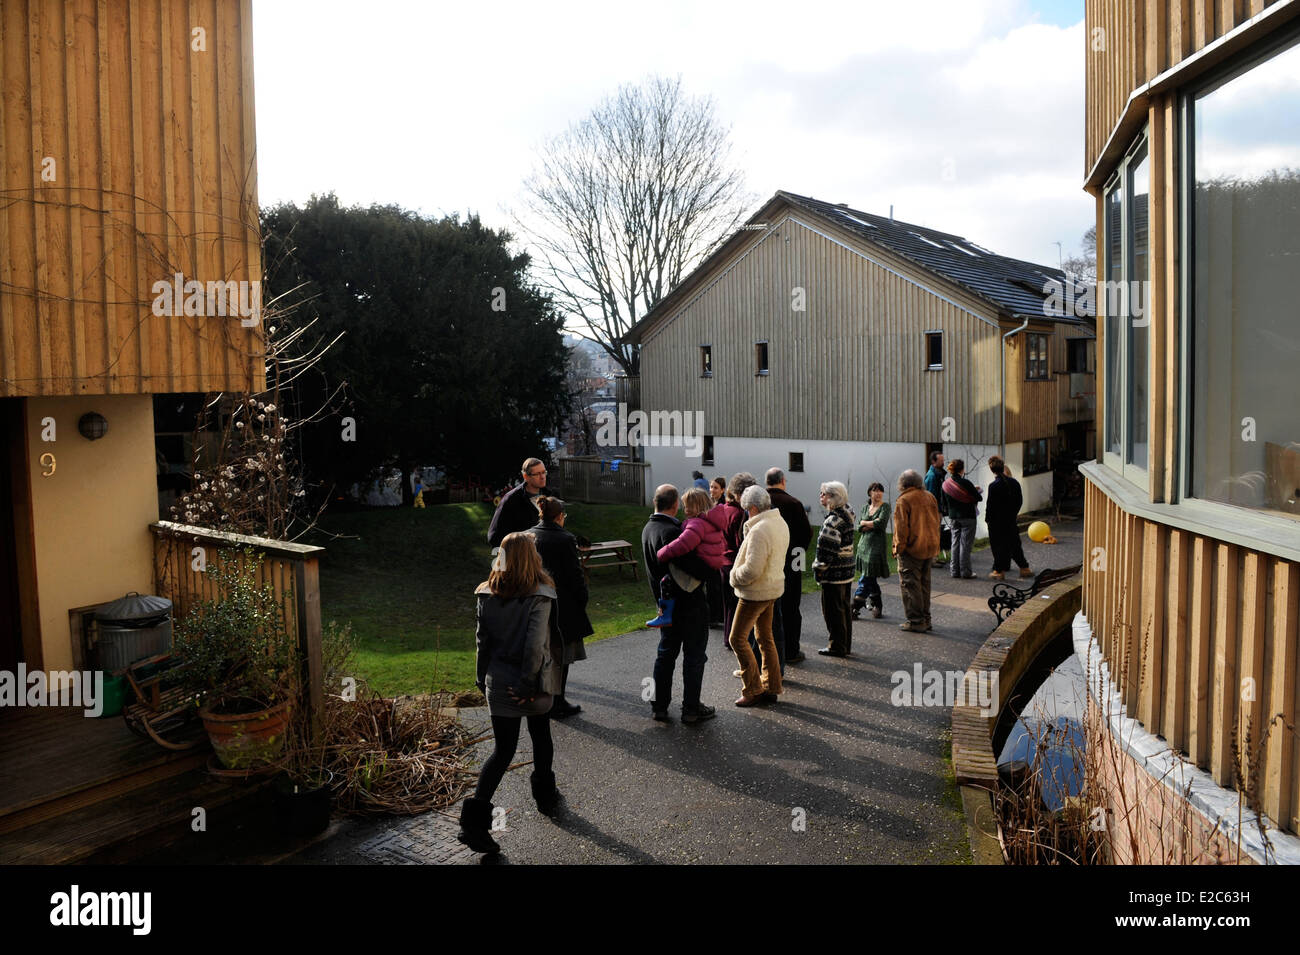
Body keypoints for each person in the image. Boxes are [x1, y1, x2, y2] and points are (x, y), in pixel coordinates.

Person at [458, 532, 565, 854]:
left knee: (502, 751)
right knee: (541, 735)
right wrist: (528, 684)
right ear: (531, 557)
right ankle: (545, 796)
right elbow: (534, 646)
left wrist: (482, 679)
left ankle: (473, 824)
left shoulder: (486, 593)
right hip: (529, 682)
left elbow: (482, 642)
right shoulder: (541, 594)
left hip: (497, 678)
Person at [641, 485, 717, 724]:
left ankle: (659, 706)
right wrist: (713, 569)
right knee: (694, 657)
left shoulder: (648, 528)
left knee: (665, 656)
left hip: (665, 606)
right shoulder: (674, 532)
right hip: (689, 604)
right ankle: (691, 709)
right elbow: (692, 566)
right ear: (675, 504)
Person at [527, 496, 592, 719]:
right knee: (561, 655)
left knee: (542, 653)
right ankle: (557, 701)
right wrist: (582, 599)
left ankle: (544, 698)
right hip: (561, 604)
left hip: (534, 602)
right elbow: (575, 575)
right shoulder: (565, 539)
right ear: (560, 516)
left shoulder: (529, 536)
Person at [727, 485, 789, 706]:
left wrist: (734, 576)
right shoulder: (779, 522)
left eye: (746, 509)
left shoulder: (760, 529)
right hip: (772, 589)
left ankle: (753, 689)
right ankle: (772, 686)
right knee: (765, 637)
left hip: (755, 593)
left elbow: (752, 569)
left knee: (737, 639)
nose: (745, 512)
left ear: (752, 508)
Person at [651, 487, 728, 627]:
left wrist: (663, 553)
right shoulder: (711, 521)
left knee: (666, 582)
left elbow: (683, 544)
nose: (684, 509)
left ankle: (665, 615)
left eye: (687, 506)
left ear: (696, 506)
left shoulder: (697, 524)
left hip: (702, 561)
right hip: (713, 562)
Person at [765, 468, 812, 664]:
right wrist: (797, 560)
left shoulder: (760, 502)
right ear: (783, 481)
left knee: (766, 608)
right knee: (791, 608)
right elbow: (806, 534)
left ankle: (768, 651)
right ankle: (791, 651)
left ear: (767, 482)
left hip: (765, 563)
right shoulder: (794, 503)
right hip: (791, 562)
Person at [892, 470, 941, 633]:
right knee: (924, 585)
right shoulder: (929, 496)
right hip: (929, 546)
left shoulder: (904, 500)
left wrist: (897, 549)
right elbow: (937, 521)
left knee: (910, 585)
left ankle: (916, 621)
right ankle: (926, 619)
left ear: (903, 483)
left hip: (912, 549)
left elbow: (901, 530)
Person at [813, 481, 856, 656]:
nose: (820, 496)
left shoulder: (833, 521)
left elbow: (825, 553)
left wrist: (819, 569)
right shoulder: (848, 511)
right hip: (847, 569)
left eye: (823, 493)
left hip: (834, 572)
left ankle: (837, 646)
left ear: (832, 497)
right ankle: (845, 644)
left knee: (833, 611)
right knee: (844, 608)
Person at [717, 472, 758, 647]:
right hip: (735, 561)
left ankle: (727, 637)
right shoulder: (739, 513)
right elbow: (740, 541)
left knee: (728, 604)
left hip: (722, 561)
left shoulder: (722, 510)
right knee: (738, 605)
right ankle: (736, 639)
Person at [487, 458, 553, 548]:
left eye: (543, 472)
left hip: (544, 557)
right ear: (526, 477)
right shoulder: (511, 499)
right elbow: (495, 537)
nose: (542, 477)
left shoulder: (549, 497)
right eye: (537, 474)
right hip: (520, 557)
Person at [985, 456, 1033, 580]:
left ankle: (998, 570)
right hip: (1010, 519)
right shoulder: (1014, 483)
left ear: (992, 470)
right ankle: (1024, 568)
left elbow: (990, 505)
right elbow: (1019, 501)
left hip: (997, 522)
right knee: (1014, 544)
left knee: (998, 546)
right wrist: (1013, 514)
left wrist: (988, 519)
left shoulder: (994, 486)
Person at [852, 482, 891, 619]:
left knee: (866, 576)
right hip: (863, 546)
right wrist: (868, 524)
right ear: (870, 493)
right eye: (875, 491)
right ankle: (877, 604)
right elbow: (858, 527)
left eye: (881, 491)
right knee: (870, 577)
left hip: (876, 546)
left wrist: (865, 523)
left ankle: (855, 606)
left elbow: (881, 524)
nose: (878, 493)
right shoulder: (864, 508)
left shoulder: (885, 507)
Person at [942, 459, 982, 580]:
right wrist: (976, 489)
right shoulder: (966, 482)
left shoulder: (945, 484)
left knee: (955, 543)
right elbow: (978, 498)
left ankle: (954, 571)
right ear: (962, 470)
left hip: (953, 517)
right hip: (968, 517)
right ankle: (965, 572)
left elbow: (943, 503)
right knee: (965, 545)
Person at [704, 477, 728, 627]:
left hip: (719, 549)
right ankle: (714, 615)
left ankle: (717, 616)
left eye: (716, 488)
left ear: (723, 490)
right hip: (711, 548)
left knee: (717, 585)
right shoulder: (709, 504)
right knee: (712, 585)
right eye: (711, 487)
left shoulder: (722, 506)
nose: (712, 490)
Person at [924, 451, 950, 567]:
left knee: (936, 534)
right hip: (933, 511)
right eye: (941, 460)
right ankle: (931, 560)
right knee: (933, 534)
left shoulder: (938, 475)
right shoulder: (932, 476)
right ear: (934, 462)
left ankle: (934, 557)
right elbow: (930, 496)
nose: (943, 462)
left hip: (938, 509)